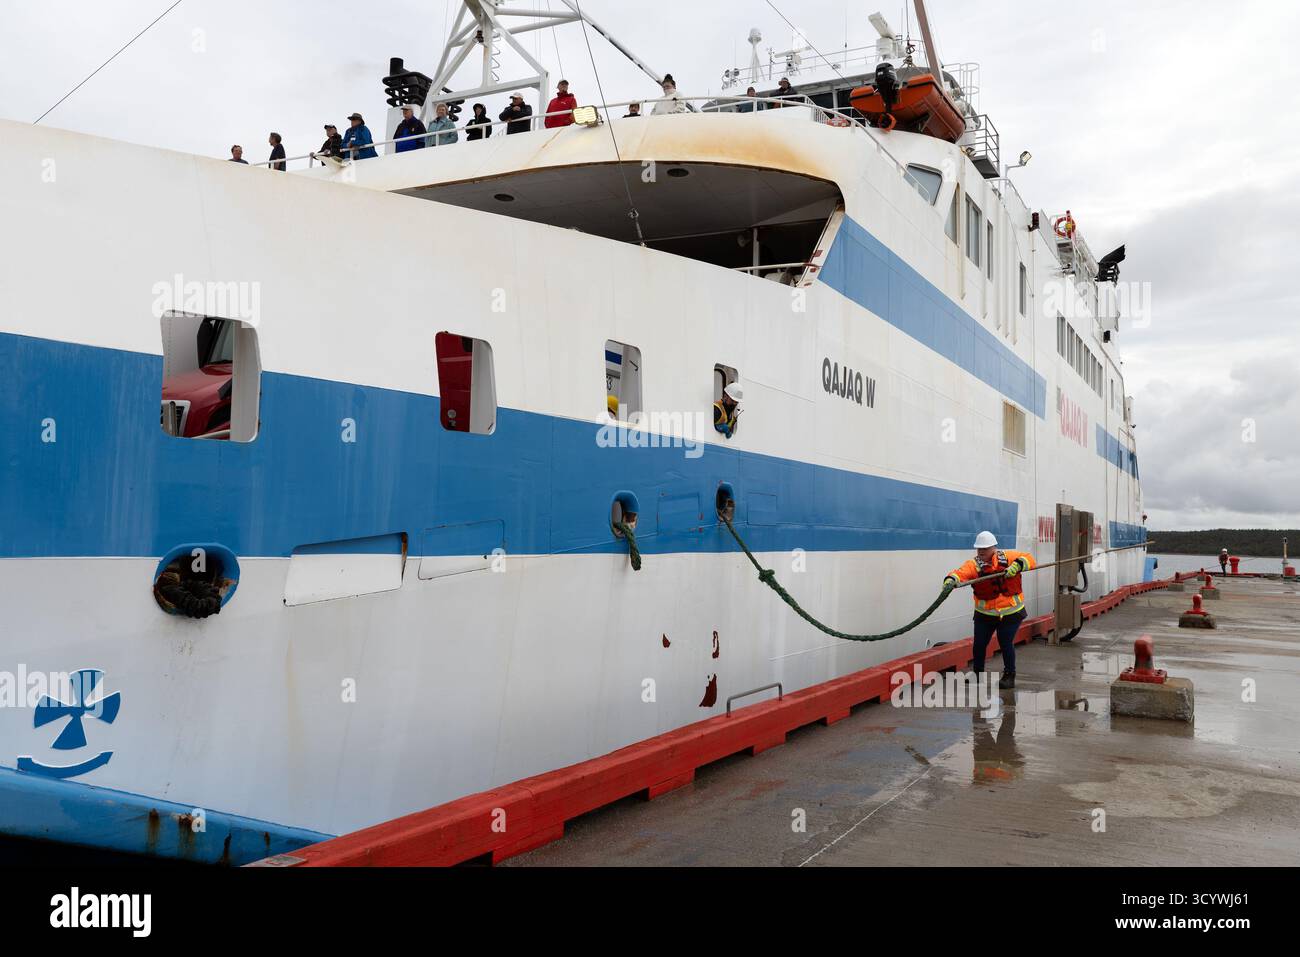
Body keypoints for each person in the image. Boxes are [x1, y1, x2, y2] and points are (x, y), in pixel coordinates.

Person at [943, 531, 1036, 690]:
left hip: (1011, 613)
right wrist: (951, 580)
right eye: (979, 549)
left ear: (994, 547)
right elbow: (961, 573)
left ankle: (1009, 675)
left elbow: (1030, 559)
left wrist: (1018, 565)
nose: (981, 552)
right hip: (985, 615)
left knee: (1005, 642)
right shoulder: (974, 565)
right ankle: (977, 674)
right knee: (979, 644)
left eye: (985, 548)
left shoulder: (1009, 557)